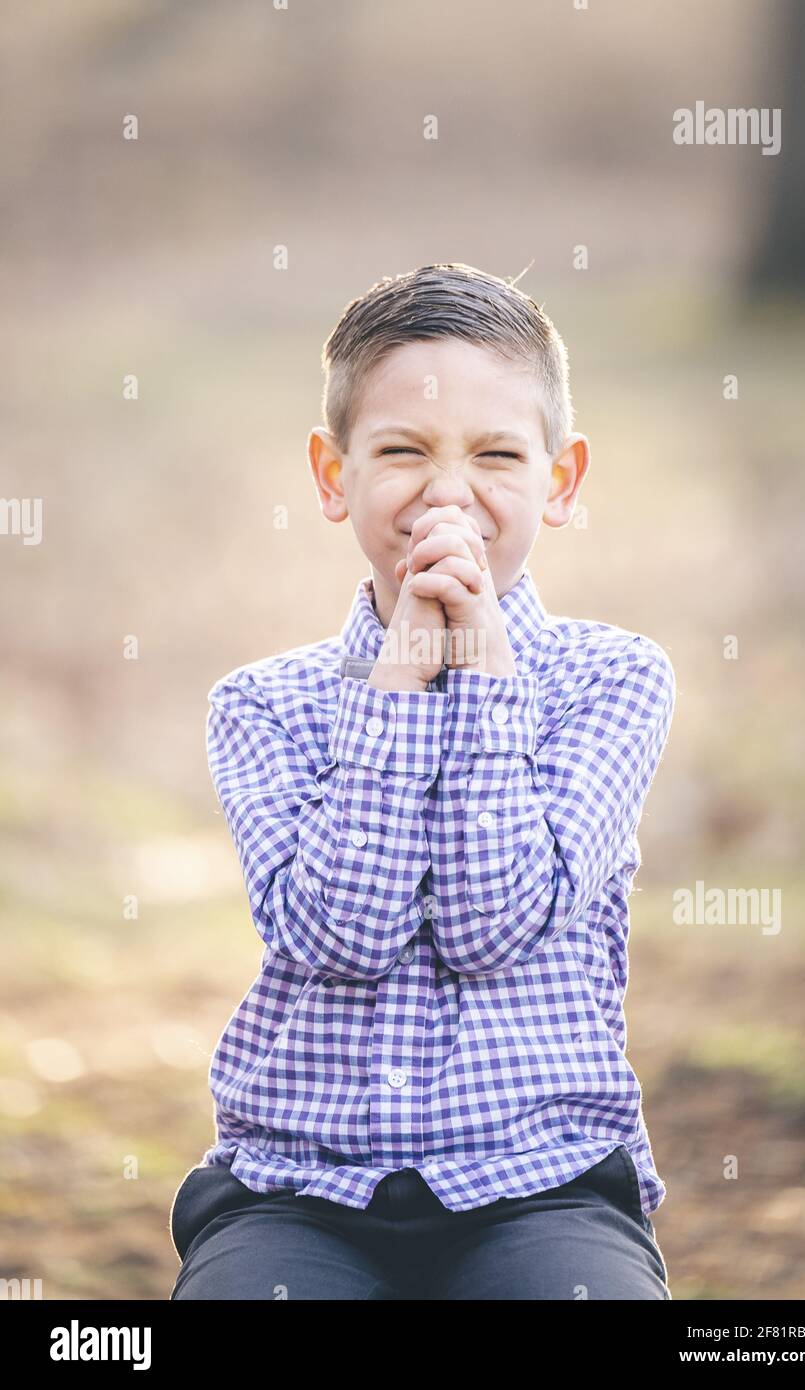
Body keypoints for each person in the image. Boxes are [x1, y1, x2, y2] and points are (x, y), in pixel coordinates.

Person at [169, 263, 675, 1300]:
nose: (448, 494)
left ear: (561, 480)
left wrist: (485, 673)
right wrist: (393, 687)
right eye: (401, 451)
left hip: (544, 1182)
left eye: (496, 454)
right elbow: (337, 935)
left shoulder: (613, 679)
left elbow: (499, 922)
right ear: (332, 474)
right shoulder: (264, 704)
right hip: (299, 1188)